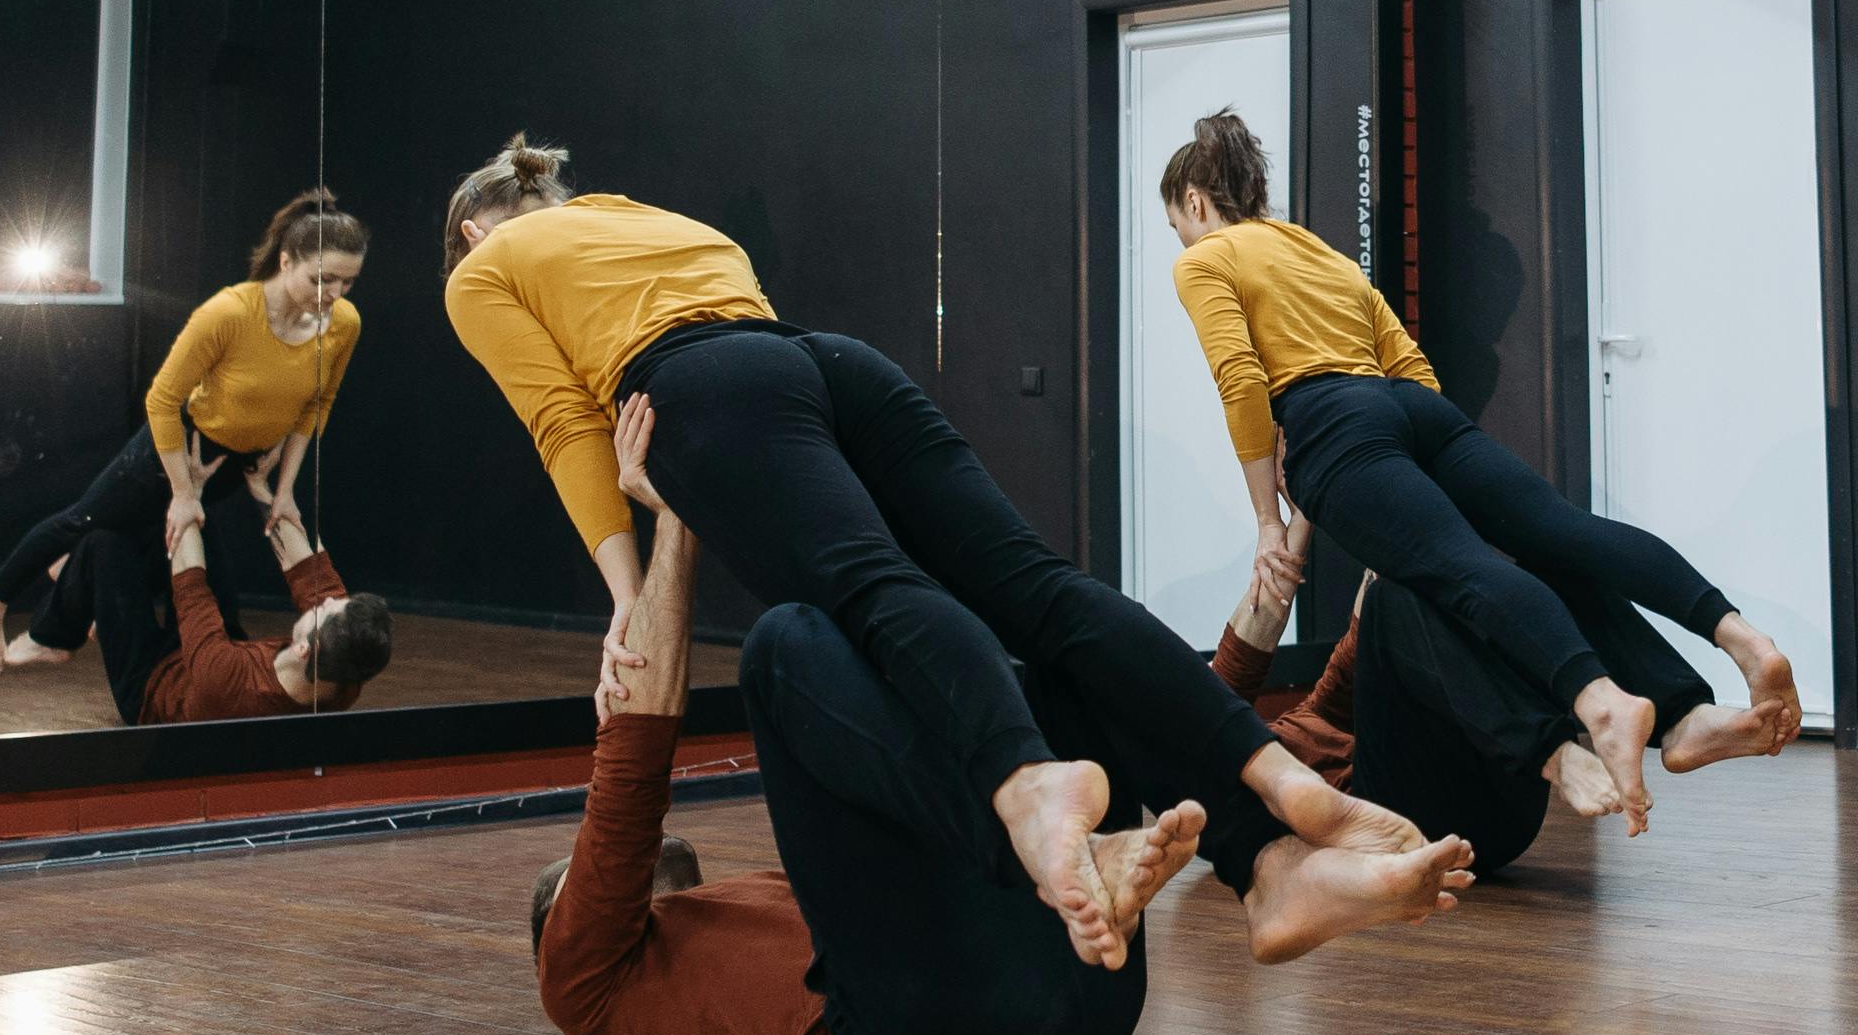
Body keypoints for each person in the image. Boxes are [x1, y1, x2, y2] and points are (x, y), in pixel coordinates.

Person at [443, 134, 1450, 970]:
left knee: (876, 595)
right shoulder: (638, 216)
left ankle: (1029, 785)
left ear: (474, 230)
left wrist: (625, 592)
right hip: (826, 360)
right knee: (1041, 592)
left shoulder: (484, 268)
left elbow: (563, 427)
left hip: (702, 390)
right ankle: (1276, 825)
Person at [534, 402, 1469, 1035]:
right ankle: (1068, 853)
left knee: (1044, 648)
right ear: (560, 921)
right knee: (785, 648)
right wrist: (680, 517)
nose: (607, 858)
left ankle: (1265, 866)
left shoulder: (762, 900)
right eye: (579, 878)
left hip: (1073, 1008)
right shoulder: (585, 981)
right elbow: (634, 762)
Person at [1158, 107, 1795, 833]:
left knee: (1459, 570)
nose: (1180, 238)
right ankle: (1735, 651)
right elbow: (1409, 366)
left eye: (1177, 222)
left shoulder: (1203, 258)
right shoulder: (1323, 255)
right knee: (1560, 531)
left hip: (1329, 421)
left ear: (1196, 203)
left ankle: (1599, 702)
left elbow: (1240, 380)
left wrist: (1270, 522)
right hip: (1407, 406)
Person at [0, 189, 363, 673]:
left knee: (155, 546)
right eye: (323, 279)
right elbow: (161, 400)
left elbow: (316, 406)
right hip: (175, 451)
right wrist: (181, 490)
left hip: (233, 464)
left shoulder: (344, 323)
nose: (335, 294)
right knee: (84, 522)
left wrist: (285, 492)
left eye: (348, 282)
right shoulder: (230, 313)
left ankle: (63, 612)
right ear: (285, 262)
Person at [1204, 525, 1680, 877]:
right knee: (1393, 601)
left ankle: (1683, 715)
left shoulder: (1309, 716)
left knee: (1538, 572)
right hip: (1401, 823)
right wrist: (1298, 514)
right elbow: (1266, 611)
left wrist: (1345, 501)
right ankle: (1556, 754)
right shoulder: (1214, 770)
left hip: (1501, 809)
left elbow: (1370, 604)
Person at [82, 443, 391, 726]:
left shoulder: (227, 681)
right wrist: (261, 486)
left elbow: (190, 584)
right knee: (197, 524)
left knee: (105, 545)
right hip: (219, 647)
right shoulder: (344, 671)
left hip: (152, 681)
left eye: (323, 610)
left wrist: (185, 491)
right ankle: (110, 602)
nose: (325, 601)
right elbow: (310, 573)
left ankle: (84, 604)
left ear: (302, 649)